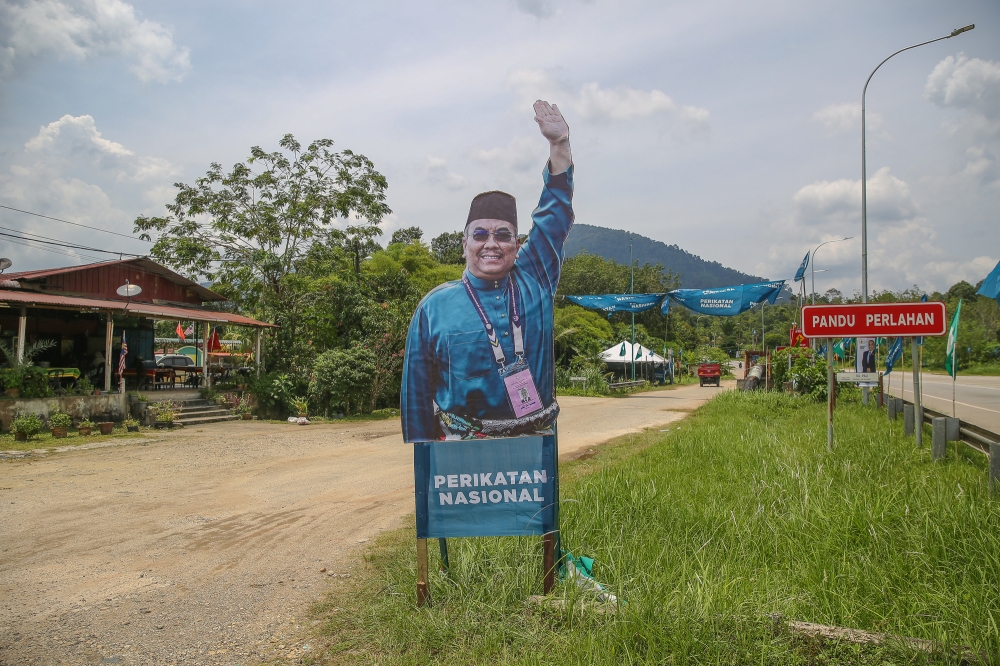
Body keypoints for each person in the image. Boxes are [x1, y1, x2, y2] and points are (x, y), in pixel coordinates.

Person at [402, 100, 573, 442]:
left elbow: (554, 216)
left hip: (533, 447)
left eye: (503, 235)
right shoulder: (434, 308)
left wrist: (560, 147)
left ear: (517, 244)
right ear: (464, 244)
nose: (491, 244)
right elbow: (416, 395)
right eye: (480, 234)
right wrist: (425, 460)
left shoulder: (534, 280)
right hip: (461, 456)